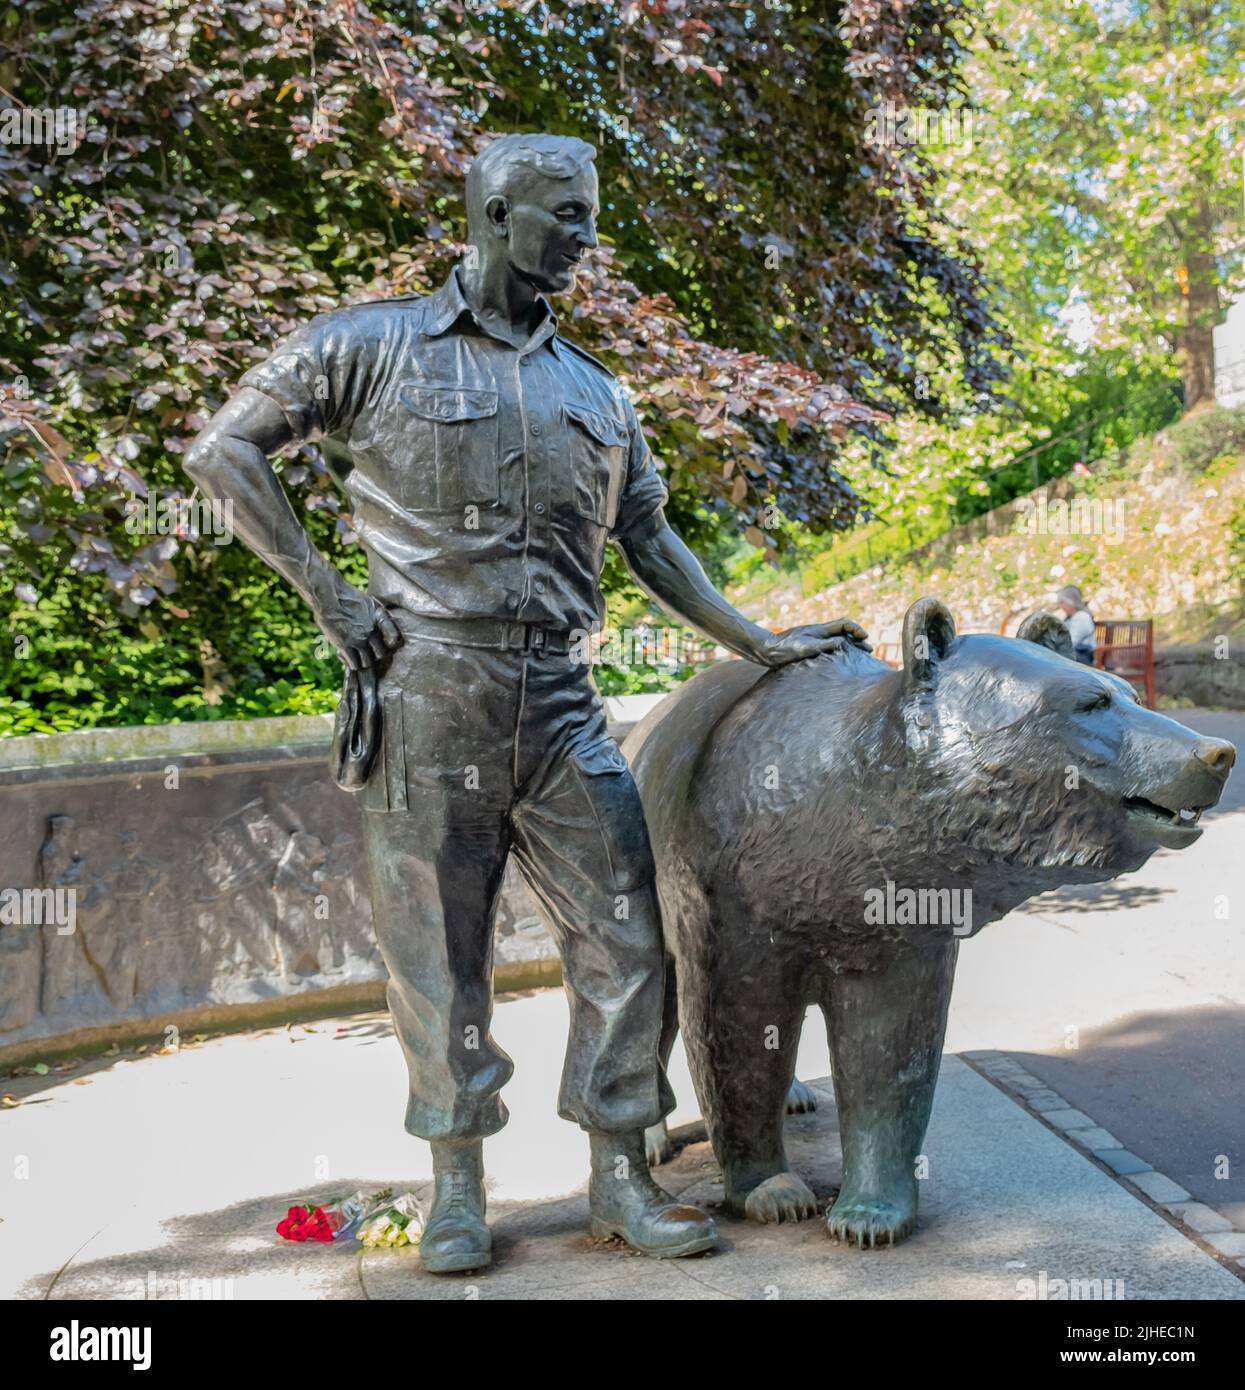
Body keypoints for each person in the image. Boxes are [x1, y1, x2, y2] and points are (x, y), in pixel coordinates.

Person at [184, 132, 869, 1274]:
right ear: (498, 215)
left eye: (592, 214)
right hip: (426, 689)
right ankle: (457, 1187)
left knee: (628, 933)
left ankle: (620, 1174)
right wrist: (329, 598)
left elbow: (649, 537)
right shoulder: (367, 345)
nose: (589, 237)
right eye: (569, 214)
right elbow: (224, 453)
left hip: (560, 697)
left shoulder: (594, 389)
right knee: (438, 958)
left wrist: (755, 639)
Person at [1056, 584, 1096, 665]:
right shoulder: (1072, 617)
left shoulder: (1081, 617)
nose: (1060, 606)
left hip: (1083, 656)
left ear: (1071, 601)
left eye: (1062, 602)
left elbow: (1072, 642)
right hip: (1076, 654)